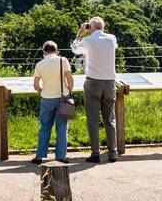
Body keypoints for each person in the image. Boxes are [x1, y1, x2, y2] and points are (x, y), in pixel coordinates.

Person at [73, 16, 118, 162]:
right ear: (103, 27)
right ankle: (113, 153)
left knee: (93, 120)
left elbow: (74, 49)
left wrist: (80, 33)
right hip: (110, 83)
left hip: (93, 82)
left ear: (90, 28)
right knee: (110, 120)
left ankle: (95, 153)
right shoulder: (112, 39)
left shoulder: (88, 41)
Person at [31, 40, 74, 163]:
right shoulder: (63, 60)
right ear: (56, 51)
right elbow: (70, 79)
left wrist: (42, 92)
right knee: (62, 128)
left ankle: (39, 155)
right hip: (62, 97)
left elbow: (36, 85)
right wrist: (69, 93)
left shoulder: (40, 64)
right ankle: (60, 156)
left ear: (43, 52)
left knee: (44, 126)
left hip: (46, 98)